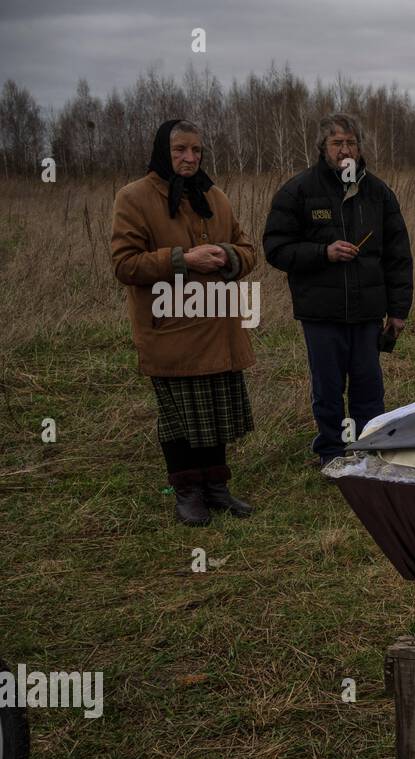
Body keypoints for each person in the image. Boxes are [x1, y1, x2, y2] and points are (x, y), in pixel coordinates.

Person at [110, 119, 258, 526]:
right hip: (169, 328)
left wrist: (230, 256)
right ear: (164, 151)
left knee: (213, 411)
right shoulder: (134, 197)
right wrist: (182, 259)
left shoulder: (216, 196)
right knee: (180, 417)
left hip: (217, 324)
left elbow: (248, 249)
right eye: (180, 151)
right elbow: (124, 265)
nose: (190, 158)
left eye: (196, 151)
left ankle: (216, 488)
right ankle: (187, 492)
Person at [262, 112, 413, 468]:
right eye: (337, 143)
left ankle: (367, 451)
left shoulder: (378, 193)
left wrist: (399, 309)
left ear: (360, 149)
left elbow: (398, 254)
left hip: (367, 312)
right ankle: (331, 452)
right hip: (321, 312)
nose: (345, 149)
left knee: (368, 387)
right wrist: (322, 253)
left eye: (351, 142)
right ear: (323, 148)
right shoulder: (298, 191)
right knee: (328, 390)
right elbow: (275, 248)